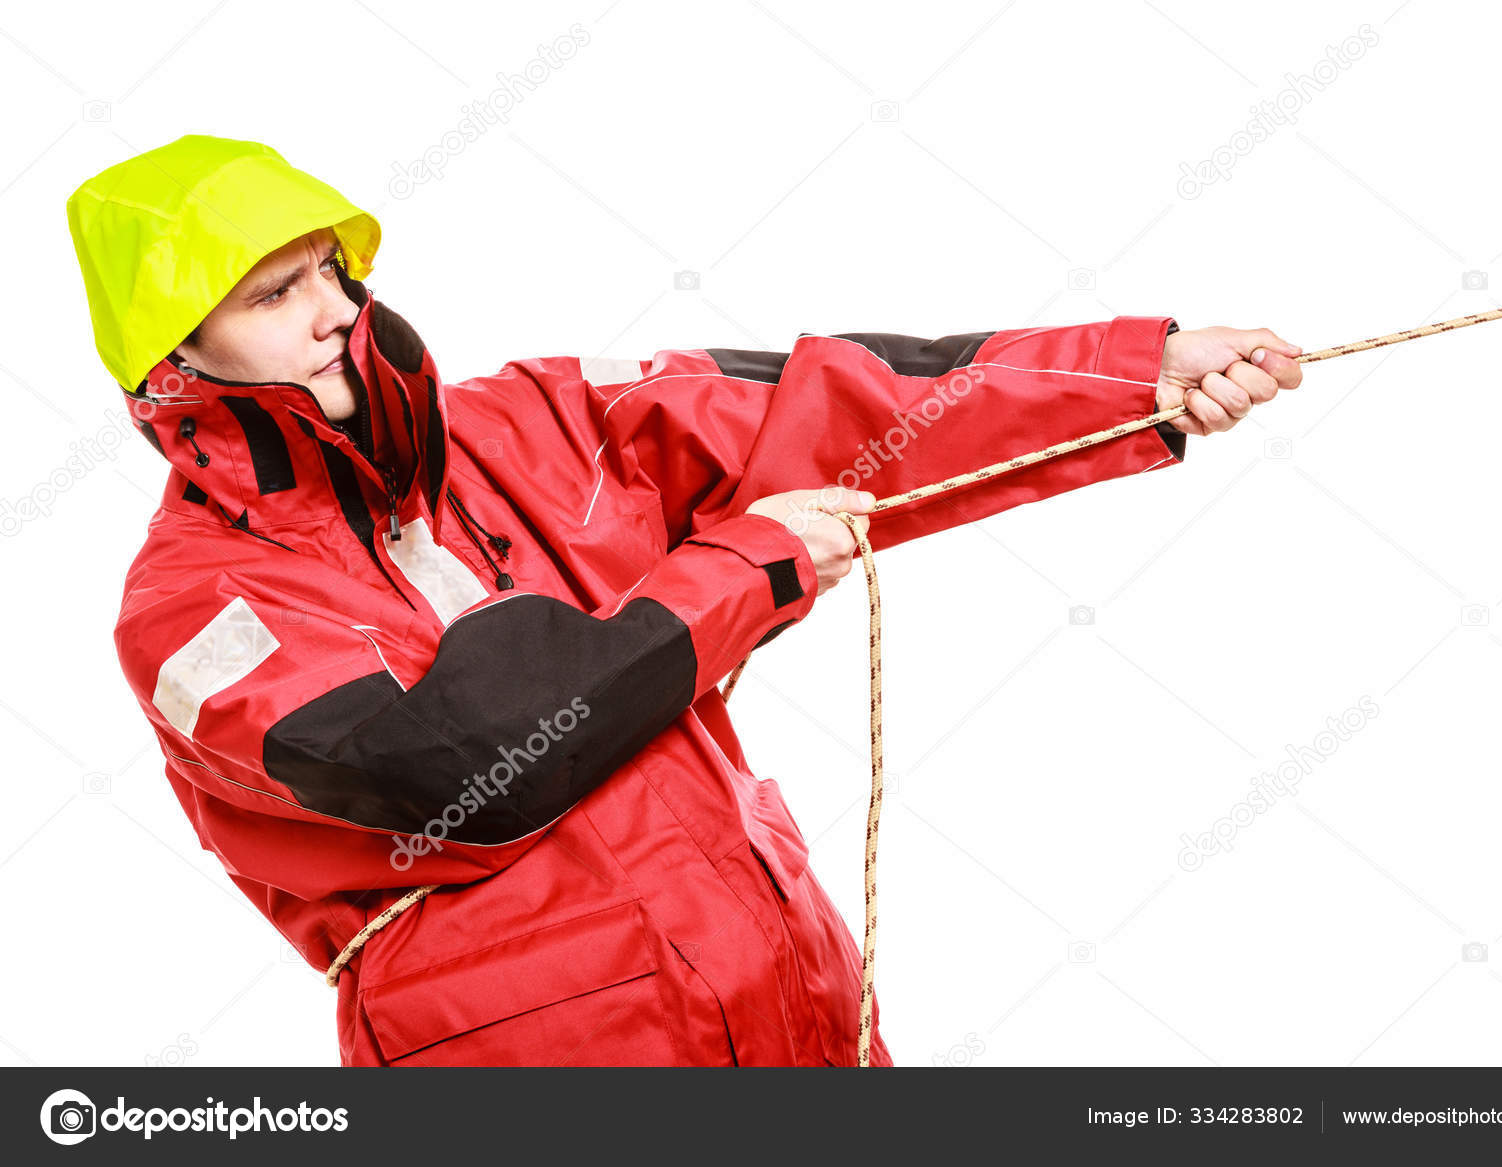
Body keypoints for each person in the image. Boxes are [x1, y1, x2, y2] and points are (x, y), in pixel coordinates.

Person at [67, 134, 1302, 1067]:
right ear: (177, 356)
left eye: (329, 270)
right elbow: (454, 766)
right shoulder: (192, 611)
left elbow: (834, 406)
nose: (336, 310)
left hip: (791, 1006)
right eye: (272, 295)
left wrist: (1131, 375)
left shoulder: (538, 421)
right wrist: (740, 571)